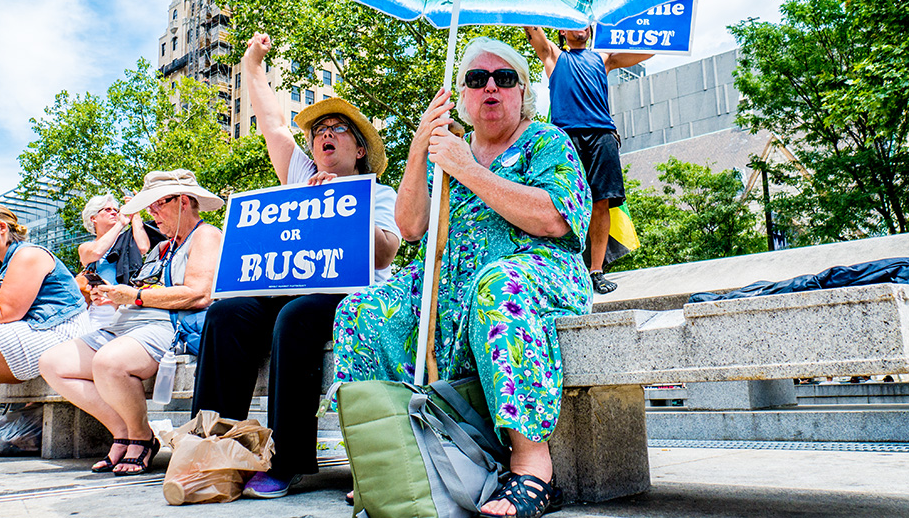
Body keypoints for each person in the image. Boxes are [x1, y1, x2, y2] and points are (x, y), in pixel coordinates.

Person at [333, 37, 593, 518]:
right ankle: (391, 458)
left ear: (522, 92)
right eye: (477, 79)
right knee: (362, 309)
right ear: (464, 97)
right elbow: (411, 227)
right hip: (449, 278)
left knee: (498, 286)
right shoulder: (450, 151)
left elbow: (555, 217)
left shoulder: (547, 141)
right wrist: (421, 147)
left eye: (504, 78)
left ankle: (533, 467)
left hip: (535, 272)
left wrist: (468, 169)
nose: (490, 87)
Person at [190, 31, 401, 499]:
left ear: (360, 150)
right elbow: (272, 125)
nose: (325, 133)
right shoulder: (301, 175)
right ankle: (215, 449)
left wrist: (343, 204)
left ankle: (288, 461)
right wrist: (252, 66)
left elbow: (385, 252)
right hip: (287, 285)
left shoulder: (378, 193)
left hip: (347, 296)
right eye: (319, 129)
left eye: (338, 128)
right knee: (225, 315)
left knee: (297, 317)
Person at [39, 169, 223, 475]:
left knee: (109, 362)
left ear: (182, 201)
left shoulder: (206, 235)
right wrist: (112, 296)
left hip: (168, 326)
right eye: (149, 206)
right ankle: (124, 432)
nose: (151, 213)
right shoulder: (162, 246)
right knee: (52, 363)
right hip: (127, 323)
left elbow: (198, 294)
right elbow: (146, 292)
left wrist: (133, 295)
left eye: (157, 204)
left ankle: (140, 437)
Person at [524, 25, 653, 294]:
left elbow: (649, 50)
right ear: (562, 30)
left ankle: (596, 271)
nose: (579, 28)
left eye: (583, 23)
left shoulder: (603, 58)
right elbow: (533, 29)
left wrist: (663, 34)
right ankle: (566, 268)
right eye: (572, 23)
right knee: (563, 204)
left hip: (602, 136)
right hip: (566, 139)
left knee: (601, 202)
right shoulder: (554, 56)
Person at [0, 205, 89, 462]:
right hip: (22, 333)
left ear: (2, 227)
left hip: (58, 334)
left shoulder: (29, 255)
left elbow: (5, 314)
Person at [78, 194, 163, 329]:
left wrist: (135, 213)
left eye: (116, 210)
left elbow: (143, 247)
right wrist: (120, 224)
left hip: (128, 306)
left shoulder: (127, 240)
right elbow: (97, 252)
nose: (113, 212)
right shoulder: (86, 247)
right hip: (101, 309)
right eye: (107, 209)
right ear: (93, 218)